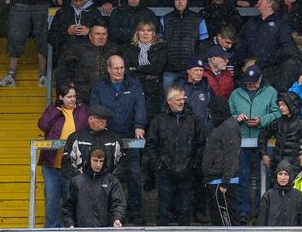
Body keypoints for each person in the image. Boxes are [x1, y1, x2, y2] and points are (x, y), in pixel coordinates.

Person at [90, 55, 146, 225]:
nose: (120, 71)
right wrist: (101, 128)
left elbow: (140, 105)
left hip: (130, 139)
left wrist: (139, 125)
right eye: (116, 68)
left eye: (122, 68)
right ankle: (108, 213)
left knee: (135, 176)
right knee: (107, 176)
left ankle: (135, 212)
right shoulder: (99, 86)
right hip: (107, 139)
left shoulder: (134, 84)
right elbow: (95, 109)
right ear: (108, 69)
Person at [146, 86, 205, 226]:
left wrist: (193, 165)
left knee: (185, 209)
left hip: (187, 171)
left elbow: (201, 144)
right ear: (169, 101)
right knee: (163, 209)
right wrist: (159, 166)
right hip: (165, 171)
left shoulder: (193, 120)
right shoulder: (158, 120)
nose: (181, 102)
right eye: (178, 99)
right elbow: (150, 145)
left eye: (183, 99)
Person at [228, 64, 279, 223]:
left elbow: (277, 113)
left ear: (260, 79)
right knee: (242, 179)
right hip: (241, 143)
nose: (250, 85)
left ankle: (260, 212)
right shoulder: (236, 94)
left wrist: (261, 120)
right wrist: (237, 117)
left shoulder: (271, 92)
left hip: (263, 142)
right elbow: (228, 114)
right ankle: (244, 212)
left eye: (254, 82)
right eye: (248, 82)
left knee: (262, 179)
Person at [37, 83, 89, 228]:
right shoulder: (52, 110)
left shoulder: (82, 110)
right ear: (61, 97)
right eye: (69, 97)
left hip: (72, 165)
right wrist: (55, 110)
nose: (73, 100)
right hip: (51, 164)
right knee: (52, 199)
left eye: (74, 96)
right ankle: (52, 228)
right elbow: (42, 125)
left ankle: (69, 227)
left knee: (70, 199)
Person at [62, 148, 126, 228]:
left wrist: (117, 219)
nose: (98, 165)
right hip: (81, 229)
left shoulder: (112, 181)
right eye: (95, 160)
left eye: (101, 161)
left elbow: (118, 204)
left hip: (105, 229)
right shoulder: (77, 181)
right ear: (89, 160)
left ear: (104, 161)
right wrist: (70, 224)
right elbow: (68, 207)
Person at [203, 95, 241, 227]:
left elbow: (231, 156)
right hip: (216, 180)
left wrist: (225, 182)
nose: (210, 115)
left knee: (226, 221)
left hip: (222, 182)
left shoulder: (228, 127)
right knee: (219, 221)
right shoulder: (224, 125)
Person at [160, 0, 209, 90]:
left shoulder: (198, 19)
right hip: (169, 70)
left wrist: (195, 64)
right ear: (173, 1)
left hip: (190, 69)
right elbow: (160, 45)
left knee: (189, 102)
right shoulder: (164, 19)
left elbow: (202, 46)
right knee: (169, 101)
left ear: (188, 1)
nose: (180, 2)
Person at [122, 20, 167, 127]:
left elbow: (157, 68)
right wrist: (145, 73)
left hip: (154, 88)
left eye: (149, 30)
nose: (146, 33)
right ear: (137, 33)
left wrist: (136, 68)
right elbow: (127, 70)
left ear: (153, 33)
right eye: (142, 30)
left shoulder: (161, 47)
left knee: (153, 118)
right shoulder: (129, 48)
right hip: (135, 86)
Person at [61, 105, 123, 181]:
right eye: (99, 118)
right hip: (81, 187)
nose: (103, 121)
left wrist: (110, 180)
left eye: (105, 119)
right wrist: (80, 181)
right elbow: (66, 164)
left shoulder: (114, 139)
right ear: (90, 119)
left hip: (107, 187)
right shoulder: (76, 138)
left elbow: (123, 163)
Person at [60, 24, 118, 104]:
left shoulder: (114, 51)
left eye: (104, 34)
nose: (101, 37)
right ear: (90, 36)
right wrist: (70, 85)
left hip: (108, 96)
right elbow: (64, 69)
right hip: (83, 97)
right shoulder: (78, 50)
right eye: (97, 34)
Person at [258, 91, 302, 171]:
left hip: (296, 168)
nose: (280, 108)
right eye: (279, 105)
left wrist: (300, 163)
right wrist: (263, 155)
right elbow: (263, 135)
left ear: (292, 105)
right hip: (278, 167)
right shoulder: (277, 122)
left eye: (284, 105)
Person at [257, 159, 302, 227]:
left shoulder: (298, 196)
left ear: (290, 176)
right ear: (276, 175)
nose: (282, 177)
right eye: (280, 174)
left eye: (286, 174)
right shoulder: (268, 196)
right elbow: (262, 223)